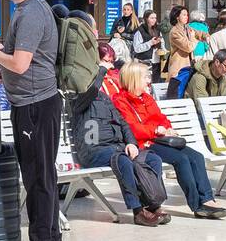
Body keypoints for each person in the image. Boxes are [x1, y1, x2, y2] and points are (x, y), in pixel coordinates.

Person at [0, 0, 63, 241]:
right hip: (33, 103)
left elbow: (20, 64)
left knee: (37, 177)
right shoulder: (29, 11)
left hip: (35, 106)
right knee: (42, 174)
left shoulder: (31, 14)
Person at [111, 61, 226, 218]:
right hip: (144, 144)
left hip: (159, 139)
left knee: (197, 157)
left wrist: (167, 128)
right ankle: (197, 205)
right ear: (134, 79)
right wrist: (156, 130)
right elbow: (132, 128)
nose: (149, 81)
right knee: (182, 160)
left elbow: (161, 118)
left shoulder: (146, 98)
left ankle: (206, 199)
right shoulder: (120, 101)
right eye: (145, 77)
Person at [70, 54, 169, 227]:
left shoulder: (105, 99)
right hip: (93, 150)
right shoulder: (78, 99)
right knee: (123, 160)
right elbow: (92, 89)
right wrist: (100, 69)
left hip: (115, 147)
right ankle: (138, 211)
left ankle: (154, 204)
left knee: (153, 159)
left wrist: (131, 143)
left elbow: (123, 124)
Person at [164, 5, 196, 96]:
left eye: (187, 15)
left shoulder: (187, 28)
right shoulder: (175, 32)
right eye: (184, 15)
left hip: (189, 65)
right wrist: (194, 38)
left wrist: (206, 36)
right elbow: (188, 47)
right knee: (177, 93)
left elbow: (198, 33)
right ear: (177, 17)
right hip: (178, 67)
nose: (187, 17)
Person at [131, 9, 165, 82]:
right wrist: (150, 43)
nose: (154, 20)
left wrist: (162, 48)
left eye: (155, 18)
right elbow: (136, 48)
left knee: (155, 83)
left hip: (157, 61)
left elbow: (162, 42)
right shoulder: (140, 31)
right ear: (146, 19)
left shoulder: (157, 29)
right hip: (144, 61)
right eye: (151, 18)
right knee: (145, 82)